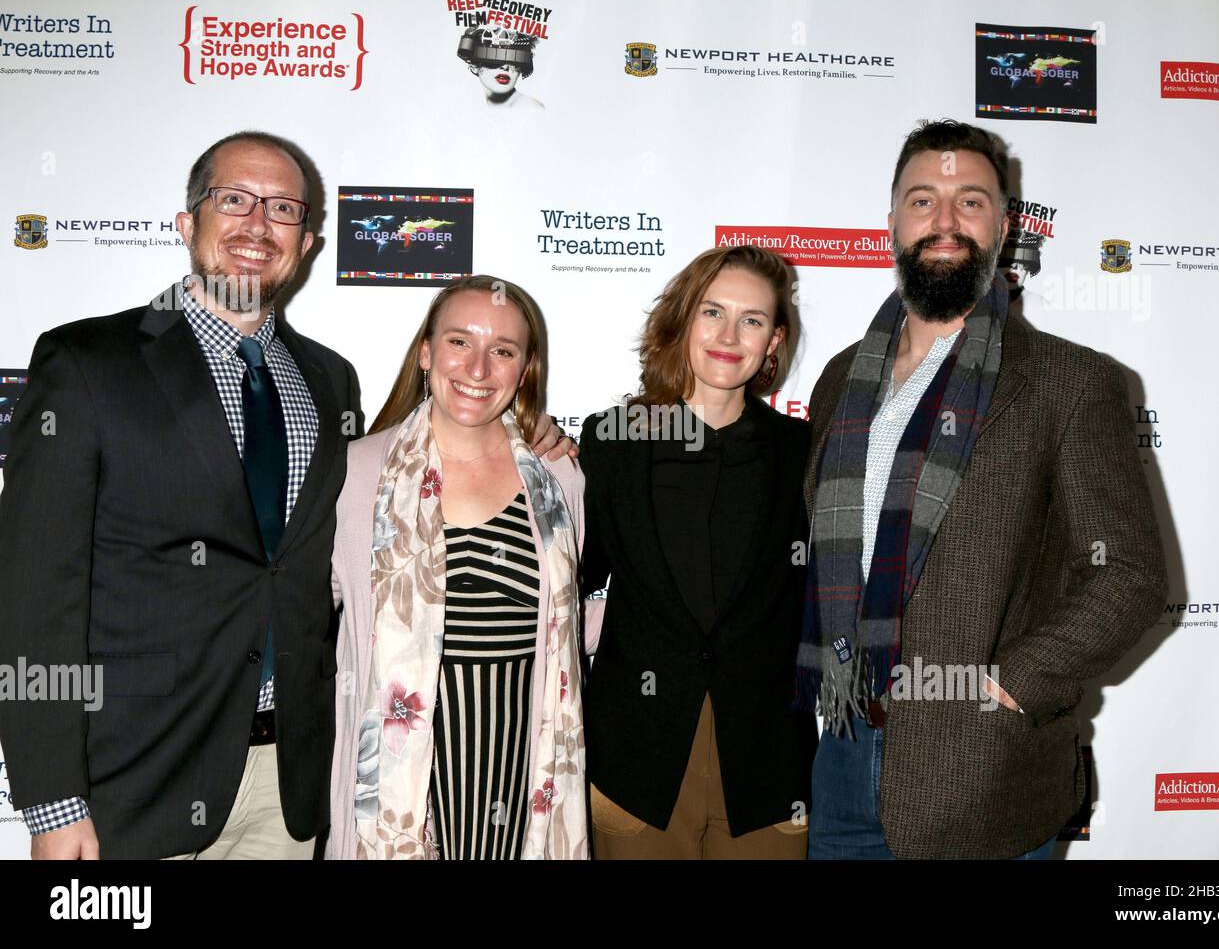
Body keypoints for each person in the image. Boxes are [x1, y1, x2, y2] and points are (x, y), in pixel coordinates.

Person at [0, 131, 572, 860]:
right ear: (187, 223)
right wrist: (52, 802)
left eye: (282, 210)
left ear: (305, 245)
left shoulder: (329, 382)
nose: (256, 224)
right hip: (130, 782)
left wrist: (535, 436)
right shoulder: (87, 363)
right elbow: (32, 599)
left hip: (289, 787)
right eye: (233, 200)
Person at [800, 119, 1168, 860]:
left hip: (982, 772)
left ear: (1003, 226)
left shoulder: (1071, 382)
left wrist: (1008, 685)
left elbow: (1127, 575)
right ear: (891, 223)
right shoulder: (841, 377)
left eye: (970, 201)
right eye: (922, 200)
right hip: (839, 757)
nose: (944, 220)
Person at [326, 276, 587, 860]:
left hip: (524, 768)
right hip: (407, 779)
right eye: (459, 342)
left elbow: (566, 623)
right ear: (426, 353)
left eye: (502, 350)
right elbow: (316, 609)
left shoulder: (559, 478)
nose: (478, 367)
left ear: (524, 369)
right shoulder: (358, 474)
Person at [579, 245, 818, 859]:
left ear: (774, 342)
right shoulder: (610, 442)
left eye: (753, 320)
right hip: (637, 762)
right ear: (683, 319)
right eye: (712, 312)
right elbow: (571, 582)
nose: (728, 335)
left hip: (767, 770)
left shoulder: (804, 452)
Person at [456, 25, 545, 111]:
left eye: (513, 60)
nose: (505, 67)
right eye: (492, 57)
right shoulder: (468, 108)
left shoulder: (532, 108)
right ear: (474, 66)